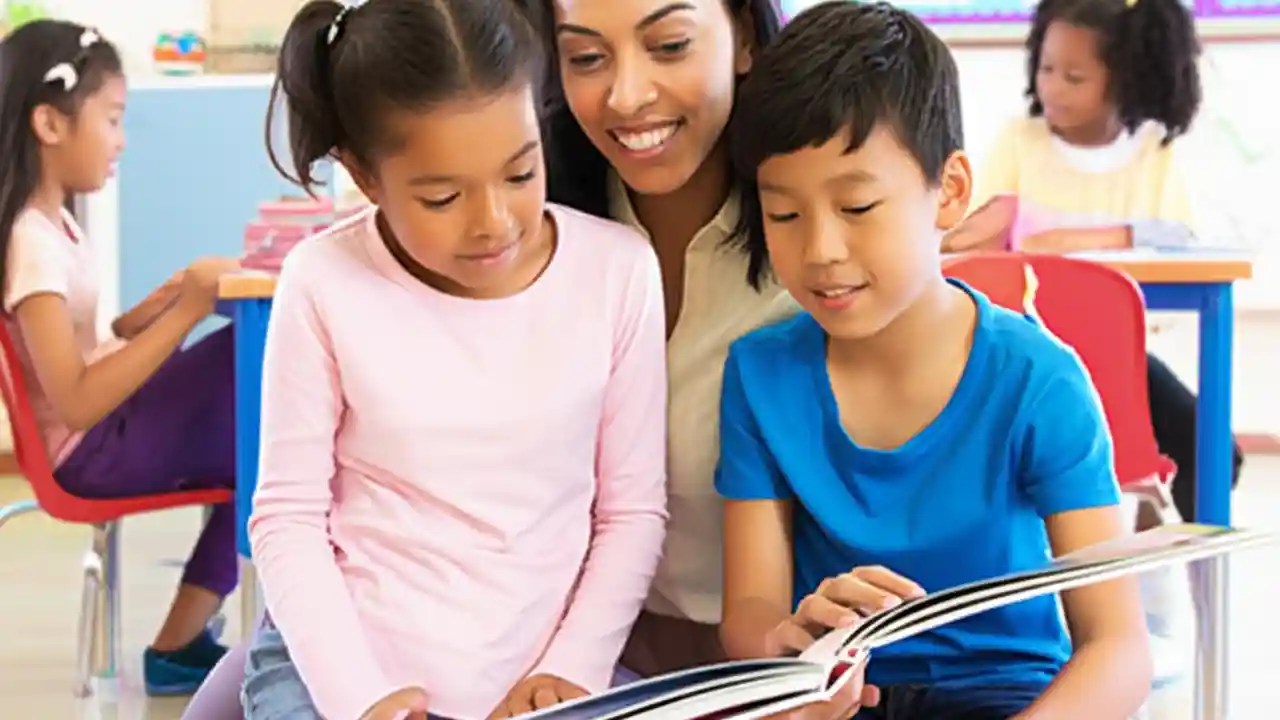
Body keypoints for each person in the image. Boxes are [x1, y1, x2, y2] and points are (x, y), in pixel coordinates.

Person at [182, 0, 792, 714]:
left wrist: (569, 671)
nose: (493, 223)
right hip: (350, 672)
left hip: (540, 671)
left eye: (520, 174)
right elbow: (286, 516)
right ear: (365, 177)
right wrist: (360, 696)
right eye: (442, 198)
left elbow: (631, 512)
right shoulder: (323, 280)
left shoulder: (616, 268)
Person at [717, 3, 1152, 719]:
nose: (820, 250)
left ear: (949, 192)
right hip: (834, 697)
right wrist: (783, 649)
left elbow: (1117, 646)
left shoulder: (1037, 380)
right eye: (784, 215)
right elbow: (750, 611)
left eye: (857, 207)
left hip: (1007, 696)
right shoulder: (759, 374)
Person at [524, 0, 798, 677]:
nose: (626, 96)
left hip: (777, 680)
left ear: (743, 37)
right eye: (587, 58)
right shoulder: (520, 229)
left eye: (670, 45)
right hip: (543, 667)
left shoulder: (822, 257)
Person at [0, 20, 242, 696]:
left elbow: (97, 337)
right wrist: (189, 307)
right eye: (111, 119)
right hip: (92, 451)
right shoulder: (32, 244)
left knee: (265, 435)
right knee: (260, 404)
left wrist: (162, 302)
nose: (122, 140)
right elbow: (77, 400)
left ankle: (183, 642)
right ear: (50, 123)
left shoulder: (53, 226)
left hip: (105, 436)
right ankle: (180, 643)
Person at [944, 0, 1241, 523]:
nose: (1053, 88)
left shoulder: (1151, 149)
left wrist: (1070, 239)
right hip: (1022, 356)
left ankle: (1172, 548)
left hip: (1115, 358)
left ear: (1124, 78)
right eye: (1046, 69)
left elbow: (1177, 235)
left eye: (1074, 77)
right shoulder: (1020, 141)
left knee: (1214, 448)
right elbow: (977, 238)